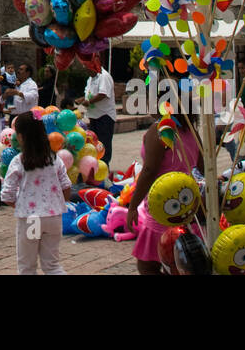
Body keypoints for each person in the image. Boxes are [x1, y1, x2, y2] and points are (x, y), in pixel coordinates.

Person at [125, 113, 203, 275]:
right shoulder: (189, 130)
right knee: (178, 265)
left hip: (163, 209)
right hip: (186, 206)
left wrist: (132, 206)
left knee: (149, 266)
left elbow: (149, 170)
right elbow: (203, 165)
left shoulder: (160, 129)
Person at [1, 112, 73, 274]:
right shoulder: (55, 159)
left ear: (20, 137)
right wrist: (57, 204)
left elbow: (6, 195)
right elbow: (66, 187)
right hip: (53, 218)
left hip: (30, 219)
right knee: (52, 266)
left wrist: (21, 206)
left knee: (27, 267)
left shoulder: (19, 161)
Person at [81, 64, 117, 167]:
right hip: (94, 116)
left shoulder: (104, 76)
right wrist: (81, 100)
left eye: (87, 68)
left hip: (104, 116)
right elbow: (88, 94)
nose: (86, 71)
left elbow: (103, 94)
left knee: (103, 145)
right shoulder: (90, 79)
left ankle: (104, 168)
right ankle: (95, 168)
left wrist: (89, 102)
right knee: (94, 144)